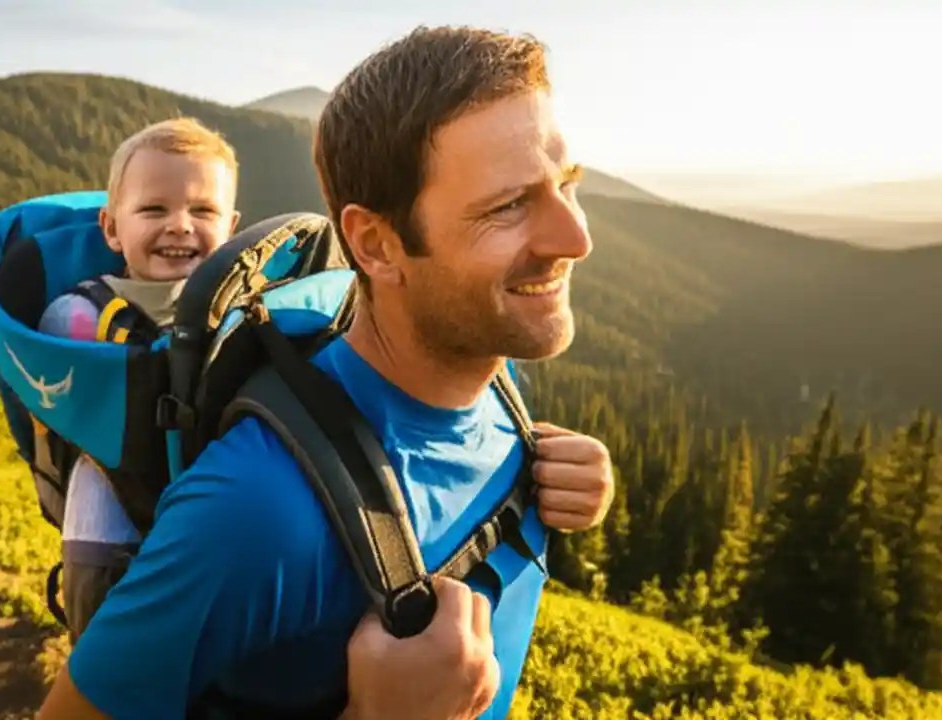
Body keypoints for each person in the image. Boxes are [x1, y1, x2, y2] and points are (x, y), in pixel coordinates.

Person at [39, 24, 613, 719]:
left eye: (567, 185)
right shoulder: (255, 510)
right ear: (375, 243)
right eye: (508, 206)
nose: (576, 238)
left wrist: (560, 475)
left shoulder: (496, 387)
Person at [36, 116, 241, 640]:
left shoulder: (240, 314)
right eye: (154, 209)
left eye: (204, 210)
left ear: (232, 229)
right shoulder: (78, 316)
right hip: (110, 534)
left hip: (215, 529)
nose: (180, 225)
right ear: (111, 227)